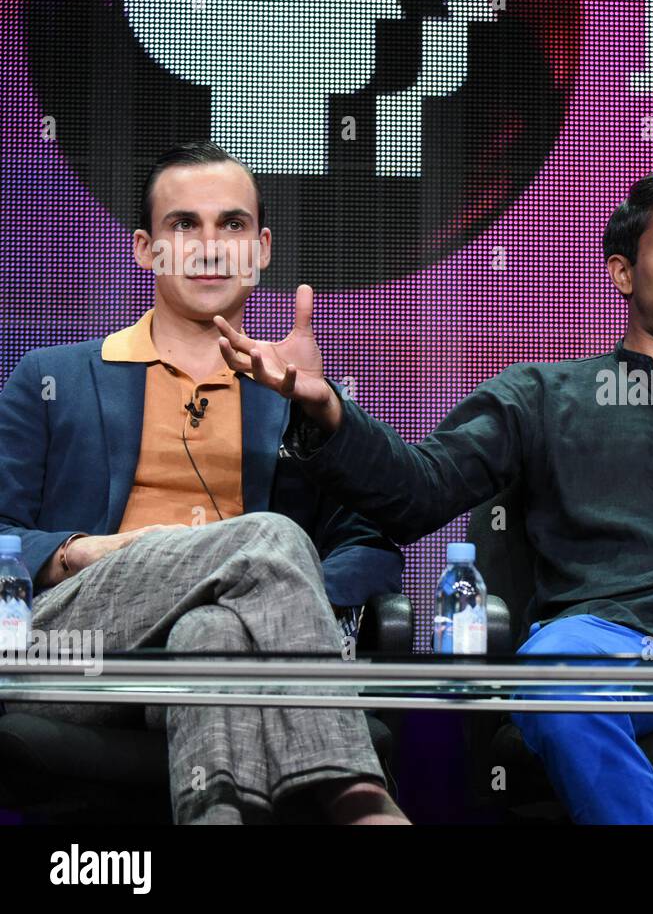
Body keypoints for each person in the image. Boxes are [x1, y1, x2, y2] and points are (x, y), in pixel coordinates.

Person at [216, 172, 653, 824]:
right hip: (607, 654)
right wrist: (328, 413)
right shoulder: (541, 397)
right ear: (622, 272)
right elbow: (419, 490)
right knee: (554, 669)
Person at [0, 141, 409, 824]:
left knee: (211, 627)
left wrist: (278, 607)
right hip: (71, 652)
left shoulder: (294, 395)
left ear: (263, 247)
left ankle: (215, 812)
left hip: (220, 656)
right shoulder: (53, 379)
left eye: (233, 225)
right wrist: (77, 551)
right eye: (184, 225)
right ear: (145, 249)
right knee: (270, 536)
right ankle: (358, 795)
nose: (210, 247)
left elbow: (370, 542)